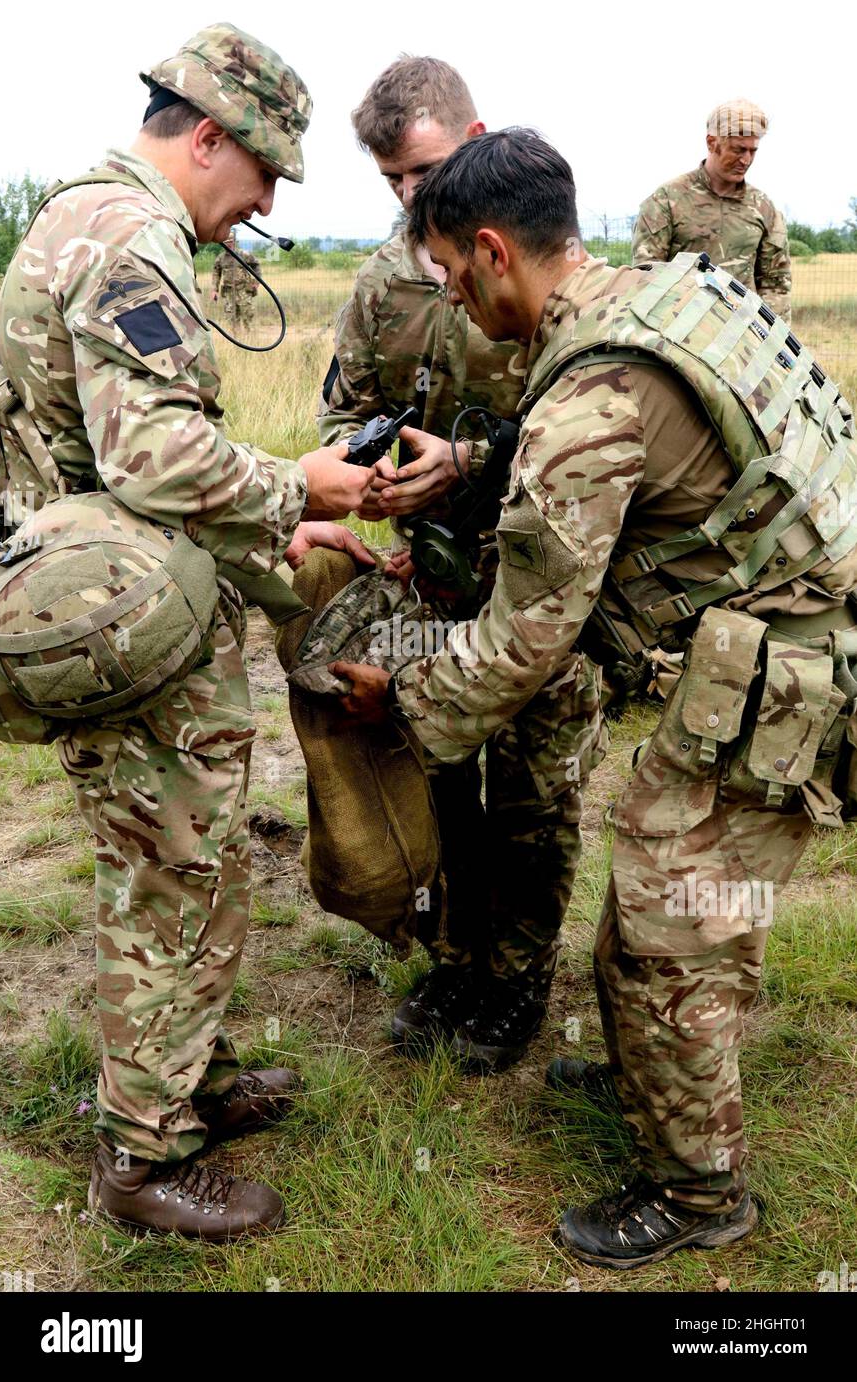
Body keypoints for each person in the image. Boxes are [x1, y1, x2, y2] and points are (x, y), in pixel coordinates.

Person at [332, 127, 857, 1267]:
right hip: (782, 638)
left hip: (782, 678)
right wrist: (470, 466)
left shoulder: (589, 395)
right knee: (660, 914)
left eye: (452, 277)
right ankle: (650, 1072)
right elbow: (634, 459)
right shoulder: (655, 294)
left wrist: (404, 703)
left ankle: (697, 1192)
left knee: (670, 937)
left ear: (487, 251)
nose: (455, 303)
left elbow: (524, 640)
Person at [0, 22, 374, 1240]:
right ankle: (142, 1159)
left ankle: (184, 1080)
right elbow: (149, 452)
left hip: (129, 596)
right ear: (207, 138)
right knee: (169, 875)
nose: (256, 211)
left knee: (197, 865)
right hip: (125, 620)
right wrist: (298, 490)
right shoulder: (131, 235)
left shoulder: (88, 214)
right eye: (260, 180)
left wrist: (280, 549)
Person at [318, 56, 605, 1072]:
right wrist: (372, 471)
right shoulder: (381, 285)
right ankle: (449, 954)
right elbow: (342, 409)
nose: (411, 198)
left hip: (539, 582)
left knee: (533, 794)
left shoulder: (539, 268)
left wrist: (465, 464)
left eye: (426, 171)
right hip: (428, 580)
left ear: (475, 137)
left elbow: (585, 429)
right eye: (392, 181)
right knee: (433, 778)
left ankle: (516, 974)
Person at [632, 98, 791, 323]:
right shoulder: (665, 201)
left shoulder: (764, 209)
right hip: (679, 337)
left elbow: (776, 285)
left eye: (752, 151)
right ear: (711, 142)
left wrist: (773, 344)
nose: (746, 160)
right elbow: (646, 278)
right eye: (738, 149)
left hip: (743, 339)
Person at [212, 230, 262, 328]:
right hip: (229, 292)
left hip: (243, 290)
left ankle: (250, 340)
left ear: (234, 242)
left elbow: (256, 265)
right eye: (225, 243)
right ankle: (236, 340)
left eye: (230, 242)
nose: (228, 245)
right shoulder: (221, 258)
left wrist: (256, 282)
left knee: (248, 317)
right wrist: (214, 290)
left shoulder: (244, 255)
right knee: (232, 319)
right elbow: (216, 273)